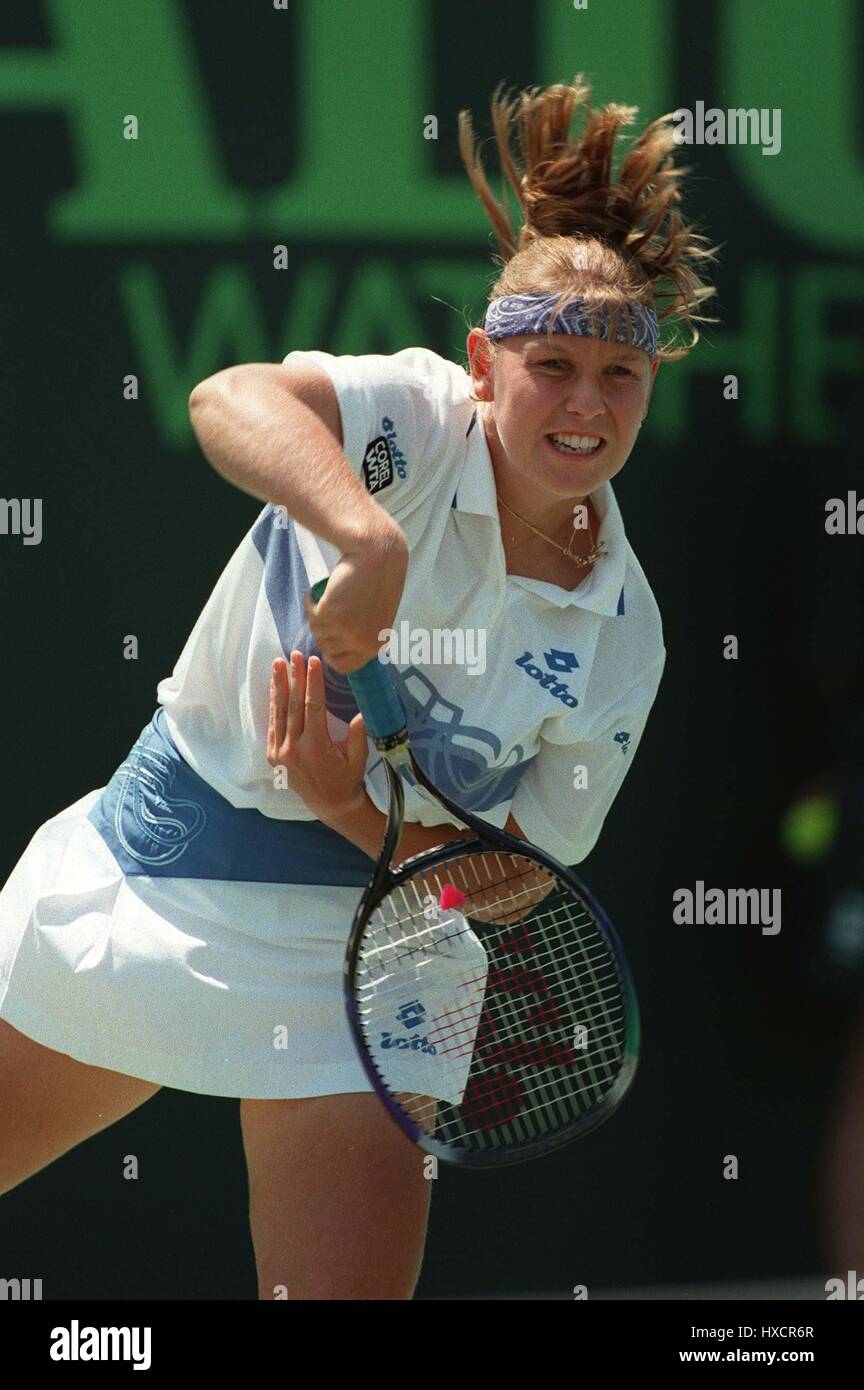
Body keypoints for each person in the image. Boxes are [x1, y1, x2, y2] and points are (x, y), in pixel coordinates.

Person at [0, 74, 717, 1299]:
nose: (587, 404)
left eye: (621, 377)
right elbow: (230, 396)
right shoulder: (417, 423)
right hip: (165, 871)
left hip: (386, 954)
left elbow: (508, 883)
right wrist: (368, 541)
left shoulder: (625, 637)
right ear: (485, 363)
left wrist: (348, 808)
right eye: (553, 364)